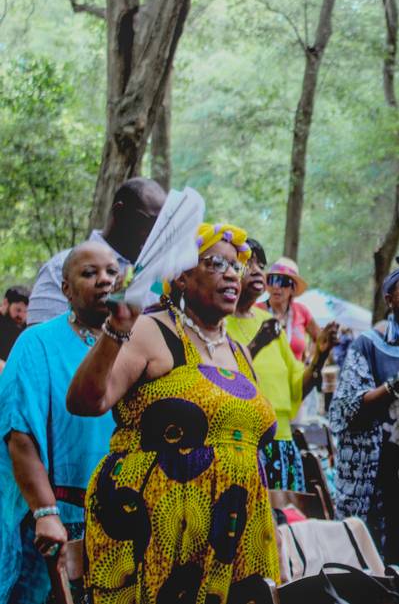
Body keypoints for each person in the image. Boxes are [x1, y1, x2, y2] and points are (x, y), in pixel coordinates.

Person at [67, 223, 279, 603]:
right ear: (181, 276)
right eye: (216, 263)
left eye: (237, 266)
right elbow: (86, 402)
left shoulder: (240, 354)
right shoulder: (151, 330)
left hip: (232, 538)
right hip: (156, 532)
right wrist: (115, 332)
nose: (232, 273)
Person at [0, 243, 119, 603]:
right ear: (65, 289)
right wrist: (45, 512)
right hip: (49, 523)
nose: (104, 281)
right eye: (89, 273)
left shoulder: (133, 346)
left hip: (116, 522)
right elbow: (19, 435)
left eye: (112, 272)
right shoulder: (36, 342)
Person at [329, 251, 399, 572]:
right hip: (376, 478)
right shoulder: (369, 344)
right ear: (389, 299)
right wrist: (398, 382)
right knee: (376, 567)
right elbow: (346, 409)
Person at [226, 238, 337, 492]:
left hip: (281, 443)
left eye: (260, 264)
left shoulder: (269, 322)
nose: (257, 270)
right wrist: (257, 344)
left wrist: (320, 356)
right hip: (241, 446)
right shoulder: (218, 323)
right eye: (247, 263)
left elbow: (297, 388)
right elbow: (224, 379)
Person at [27, 178, 166, 325]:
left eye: (161, 224)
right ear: (120, 212)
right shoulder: (59, 268)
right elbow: (41, 341)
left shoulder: (158, 275)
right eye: (148, 221)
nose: (154, 232)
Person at [260, 257, 320, 361]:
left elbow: (319, 338)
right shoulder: (256, 310)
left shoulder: (302, 311)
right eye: (273, 280)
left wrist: (310, 362)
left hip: (296, 376)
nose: (277, 287)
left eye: (283, 282)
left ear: (293, 288)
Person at [0, 285, 30, 368]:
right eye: (18, 310)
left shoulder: (26, 328)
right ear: (6, 303)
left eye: (26, 311)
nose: (21, 316)